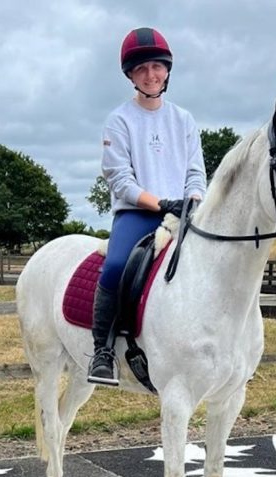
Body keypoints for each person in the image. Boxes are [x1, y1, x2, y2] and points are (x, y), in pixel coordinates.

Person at [87, 26, 207, 386]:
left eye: (156, 66)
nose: (151, 75)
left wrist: (194, 199)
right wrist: (160, 202)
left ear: (167, 70)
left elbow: (196, 172)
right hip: (137, 213)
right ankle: (103, 351)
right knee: (116, 266)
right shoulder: (120, 120)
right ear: (130, 76)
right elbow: (120, 180)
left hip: (184, 212)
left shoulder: (184, 120)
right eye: (141, 69)